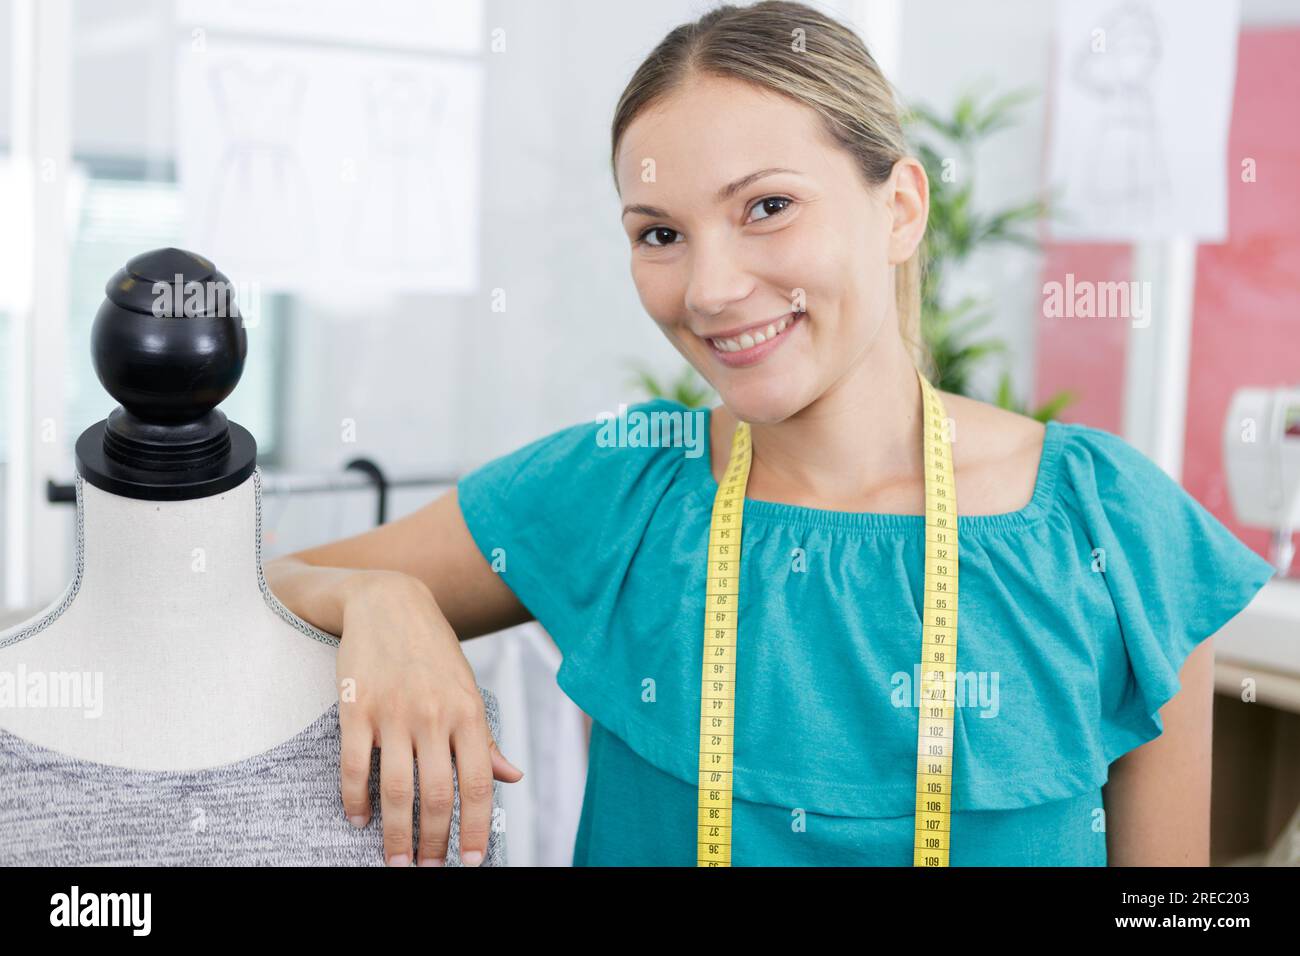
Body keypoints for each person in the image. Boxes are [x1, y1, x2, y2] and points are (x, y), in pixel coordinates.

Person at [264, 0, 1276, 866]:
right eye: (659, 232)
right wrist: (381, 597)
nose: (707, 289)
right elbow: (243, 593)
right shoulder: (616, 488)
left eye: (768, 206)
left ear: (901, 209)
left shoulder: (1115, 530)